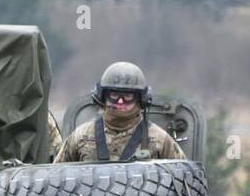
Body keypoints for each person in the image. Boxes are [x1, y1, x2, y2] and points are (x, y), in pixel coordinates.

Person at [53, 61, 185, 163]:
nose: (120, 102)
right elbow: (56, 178)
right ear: (102, 97)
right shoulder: (80, 137)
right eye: (114, 95)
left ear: (141, 99)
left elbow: (185, 182)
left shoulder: (160, 140)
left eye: (128, 96)